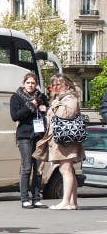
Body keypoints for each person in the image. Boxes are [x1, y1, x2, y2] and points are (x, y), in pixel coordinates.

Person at [33, 74, 84, 210]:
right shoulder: (60, 98)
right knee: (68, 170)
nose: (54, 88)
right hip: (61, 139)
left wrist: (55, 105)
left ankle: (66, 201)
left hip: (66, 140)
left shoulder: (69, 98)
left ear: (66, 85)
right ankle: (72, 202)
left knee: (65, 169)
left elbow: (66, 114)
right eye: (53, 85)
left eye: (57, 85)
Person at [10, 72, 49, 209]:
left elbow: (48, 111)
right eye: (28, 83)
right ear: (24, 83)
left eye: (33, 83)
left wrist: (45, 109)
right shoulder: (16, 97)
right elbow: (15, 116)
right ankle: (24, 198)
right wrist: (31, 105)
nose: (31, 85)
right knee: (27, 167)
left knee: (38, 169)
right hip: (24, 135)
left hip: (39, 135)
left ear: (36, 84)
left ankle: (37, 198)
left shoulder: (41, 97)